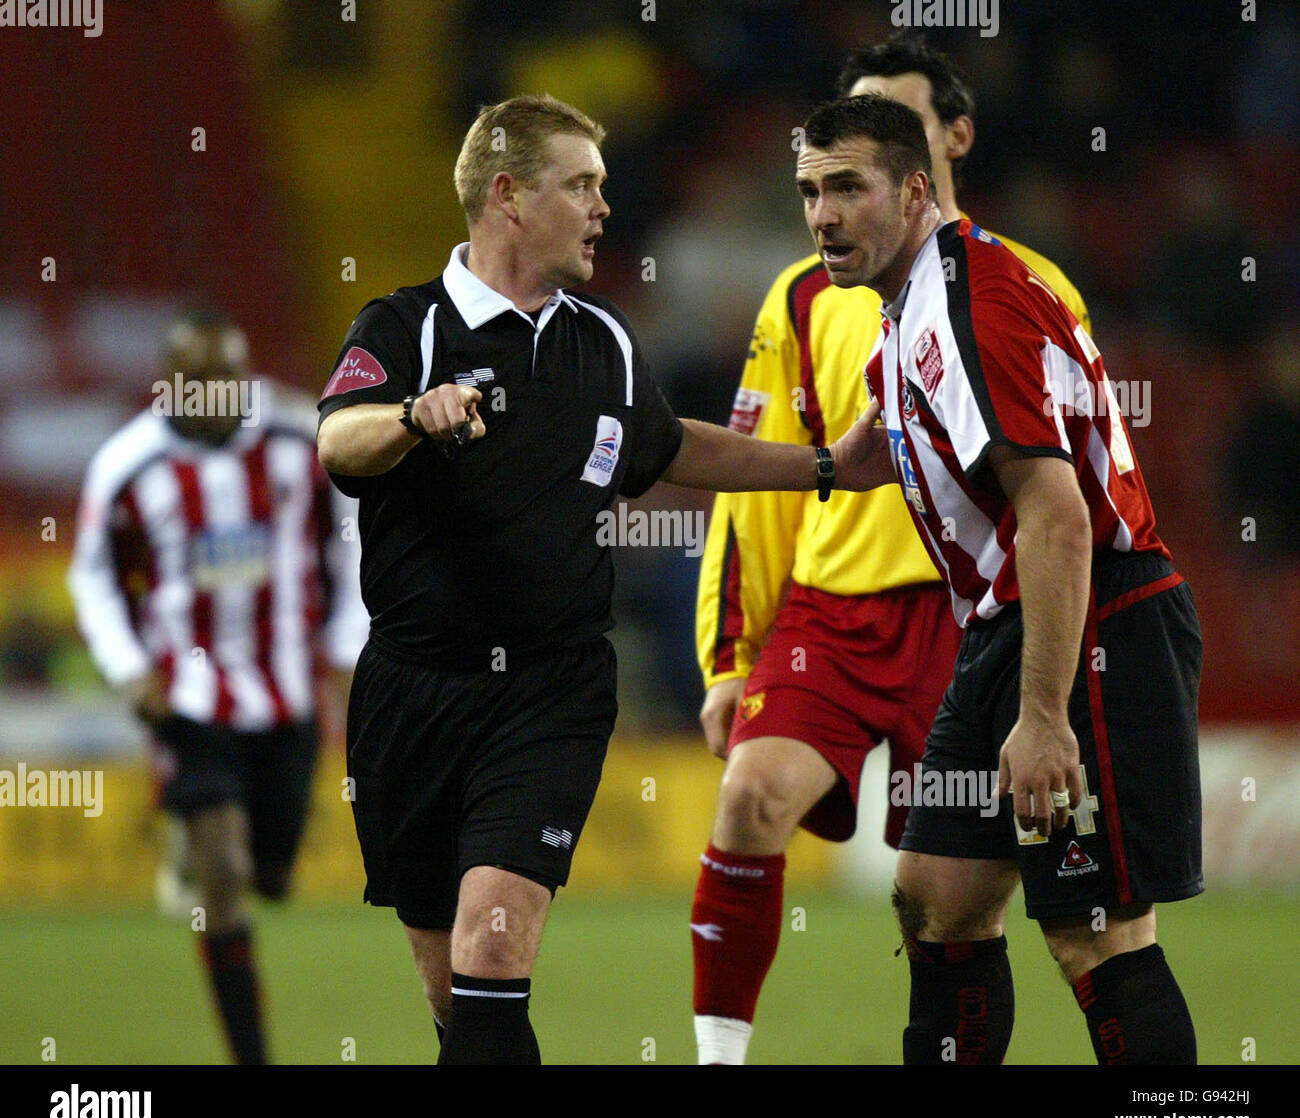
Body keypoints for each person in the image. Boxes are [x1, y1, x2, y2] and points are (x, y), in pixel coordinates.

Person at [315, 94, 888, 1066]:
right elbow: (338, 439)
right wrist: (416, 415)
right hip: (410, 694)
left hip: (550, 687)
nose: (600, 208)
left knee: (493, 938)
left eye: (601, 187)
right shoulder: (406, 325)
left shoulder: (603, 340)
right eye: (580, 185)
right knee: (459, 995)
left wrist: (828, 465)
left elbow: (671, 447)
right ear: (507, 195)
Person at [691, 35, 1091, 1065]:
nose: (832, 188)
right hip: (832, 609)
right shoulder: (801, 296)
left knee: (950, 903)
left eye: (885, 128)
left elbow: (1065, 495)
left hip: (970, 625)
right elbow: (764, 475)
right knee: (746, 795)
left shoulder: (1022, 284)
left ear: (944, 143)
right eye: (822, 164)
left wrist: (1053, 673)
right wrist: (730, 652)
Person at [796, 93, 1202, 1064]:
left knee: (1093, 930)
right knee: (935, 896)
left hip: (1091, 615)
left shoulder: (973, 298)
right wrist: (666, 453)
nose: (822, 215)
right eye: (808, 191)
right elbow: (839, 464)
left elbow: (1056, 515)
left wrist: (1044, 712)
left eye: (847, 187)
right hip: (1003, 624)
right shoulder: (900, 327)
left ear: (914, 190)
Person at [68, 312, 368, 1065]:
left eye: (222, 381)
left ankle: (201, 855)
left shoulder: (302, 440)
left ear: (247, 381)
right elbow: (93, 575)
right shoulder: (128, 463)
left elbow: (353, 539)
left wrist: (342, 647)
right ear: (168, 385)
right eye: (192, 382)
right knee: (226, 872)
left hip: (287, 691)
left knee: (272, 876)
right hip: (187, 696)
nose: (208, 396)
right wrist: (129, 669)